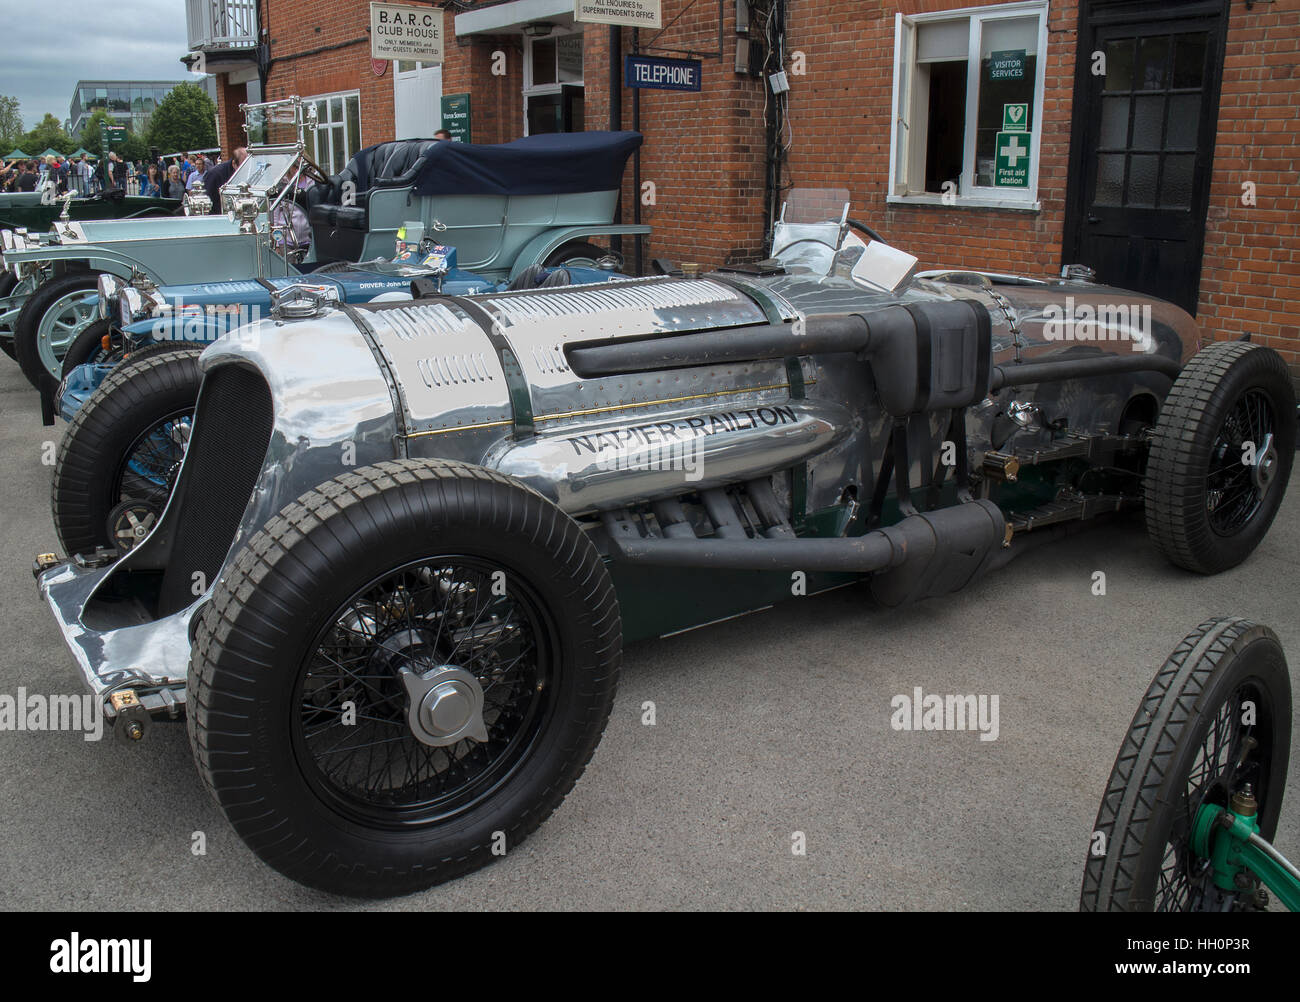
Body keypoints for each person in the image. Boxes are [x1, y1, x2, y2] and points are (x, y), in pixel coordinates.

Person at [202, 146, 247, 211]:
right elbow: (207, 200)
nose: (245, 170)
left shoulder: (248, 172)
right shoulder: (215, 175)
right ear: (234, 164)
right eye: (242, 167)